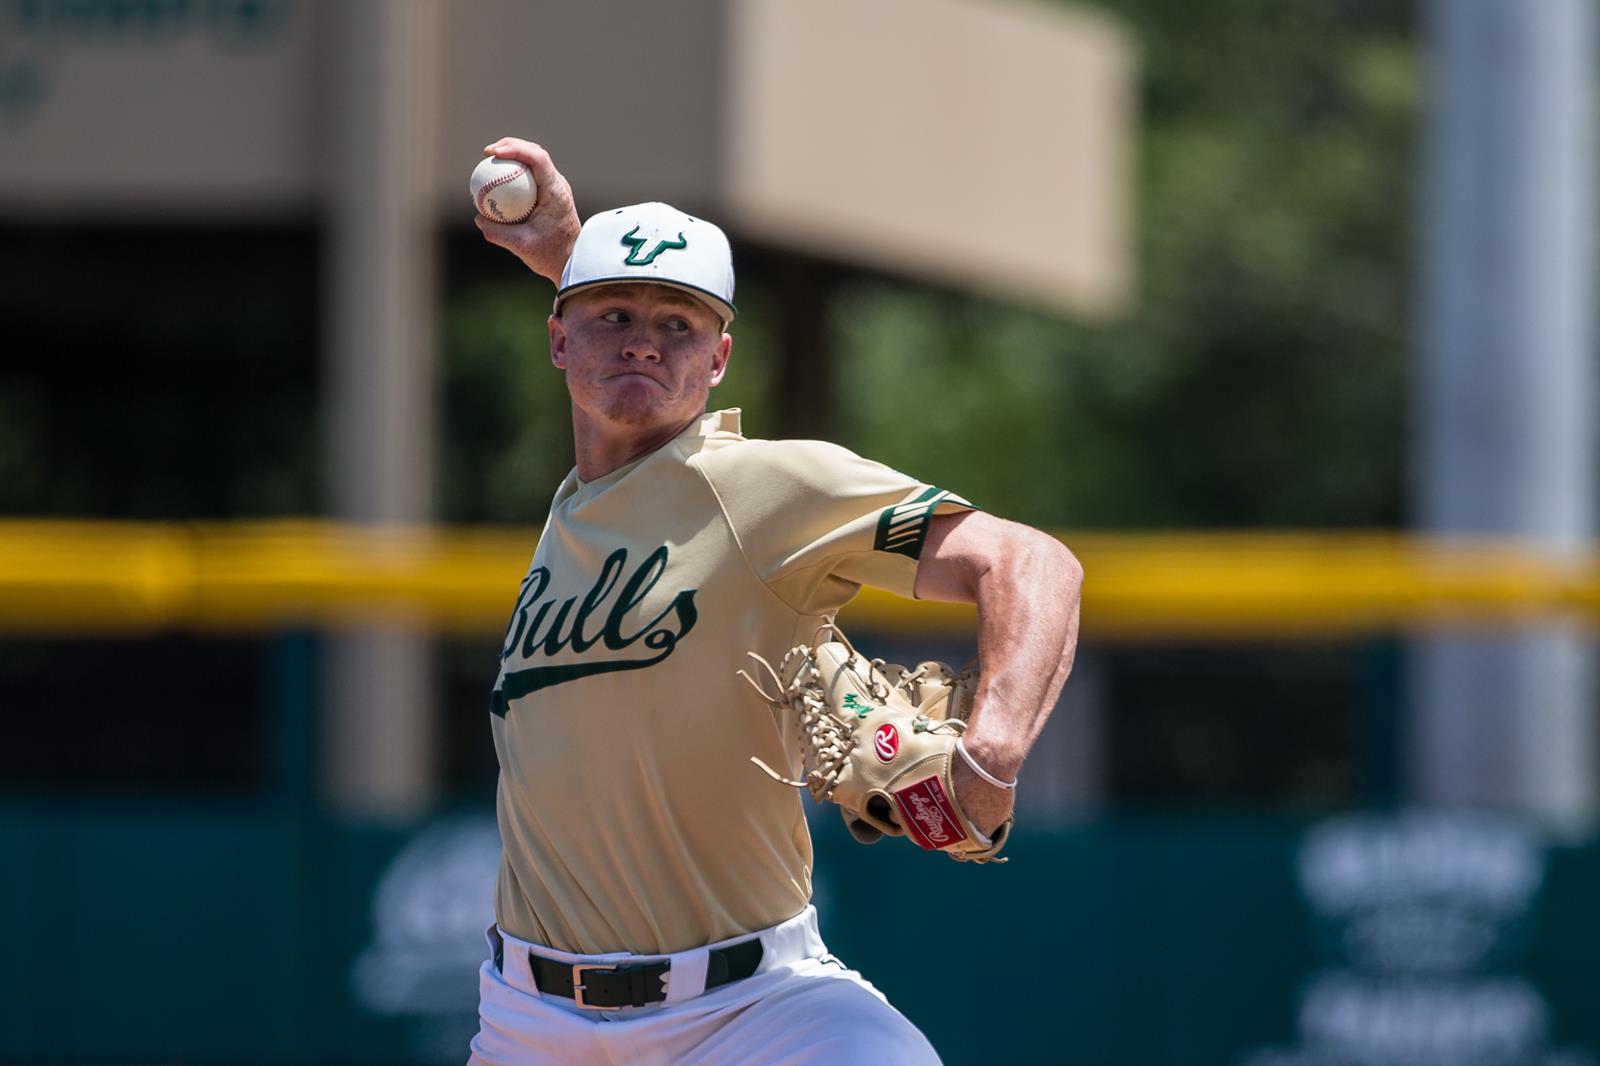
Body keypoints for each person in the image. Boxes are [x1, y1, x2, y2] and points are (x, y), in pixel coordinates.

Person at [467, 136, 1084, 1065]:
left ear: (720, 360)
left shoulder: (764, 487)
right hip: (530, 1021)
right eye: (613, 315)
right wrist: (572, 254)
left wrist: (992, 754)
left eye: (681, 326)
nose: (644, 339)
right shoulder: (581, 501)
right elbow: (621, 355)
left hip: (752, 1013)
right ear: (558, 338)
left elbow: (1031, 561)